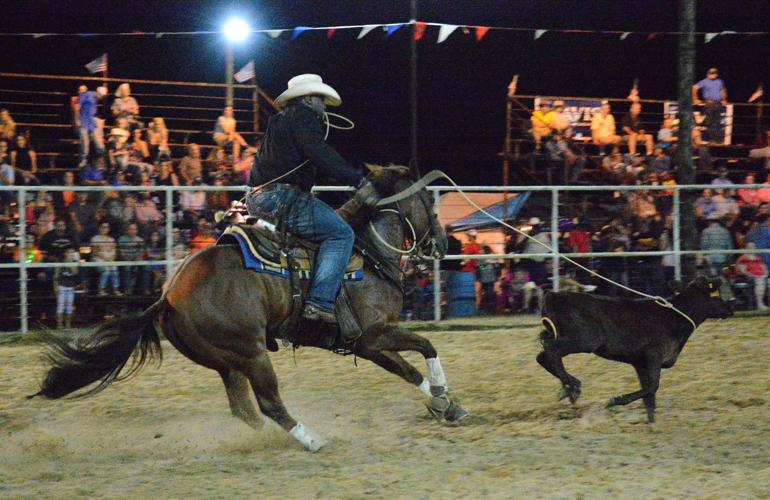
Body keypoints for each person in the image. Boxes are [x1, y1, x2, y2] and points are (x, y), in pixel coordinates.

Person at [245, 73, 379, 328]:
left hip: (256, 198)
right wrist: (357, 179)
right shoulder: (305, 117)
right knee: (341, 234)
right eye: (319, 99)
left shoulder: (277, 121)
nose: (323, 105)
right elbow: (320, 154)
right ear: (308, 99)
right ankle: (319, 303)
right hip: (282, 198)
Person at [692, 67, 728, 143]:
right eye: (711, 73)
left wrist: (724, 99)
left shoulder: (719, 81)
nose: (713, 75)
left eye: (714, 73)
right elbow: (694, 88)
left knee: (718, 122)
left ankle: (718, 140)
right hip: (709, 104)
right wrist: (695, 99)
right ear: (708, 74)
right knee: (709, 122)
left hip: (718, 104)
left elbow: (723, 90)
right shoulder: (704, 81)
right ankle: (711, 140)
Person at [75, 84, 107, 167]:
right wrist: (77, 119)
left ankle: (100, 160)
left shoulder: (95, 99)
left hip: (90, 123)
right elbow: (77, 106)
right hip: (83, 121)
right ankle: (83, 160)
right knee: (85, 143)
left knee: (97, 142)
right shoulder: (86, 95)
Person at [91, 221, 121, 296]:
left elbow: (114, 252)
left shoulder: (112, 239)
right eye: (103, 227)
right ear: (100, 228)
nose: (105, 229)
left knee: (114, 270)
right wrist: (105, 259)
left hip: (110, 259)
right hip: (98, 259)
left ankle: (115, 289)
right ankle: (101, 289)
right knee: (106, 271)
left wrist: (111, 260)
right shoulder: (95, 238)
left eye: (107, 227)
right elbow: (95, 252)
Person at [53, 246, 80, 330]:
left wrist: (74, 261)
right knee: (60, 306)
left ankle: (68, 325)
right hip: (62, 287)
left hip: (70, 287)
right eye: (69, 252)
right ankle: (60, 325)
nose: (70, 254)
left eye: (72, 253)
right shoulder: (60, 263)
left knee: (69, 306)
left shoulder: (75, 263)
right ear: (65, 253)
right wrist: (55, 287)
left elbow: (75, 272)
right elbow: (56, 275)